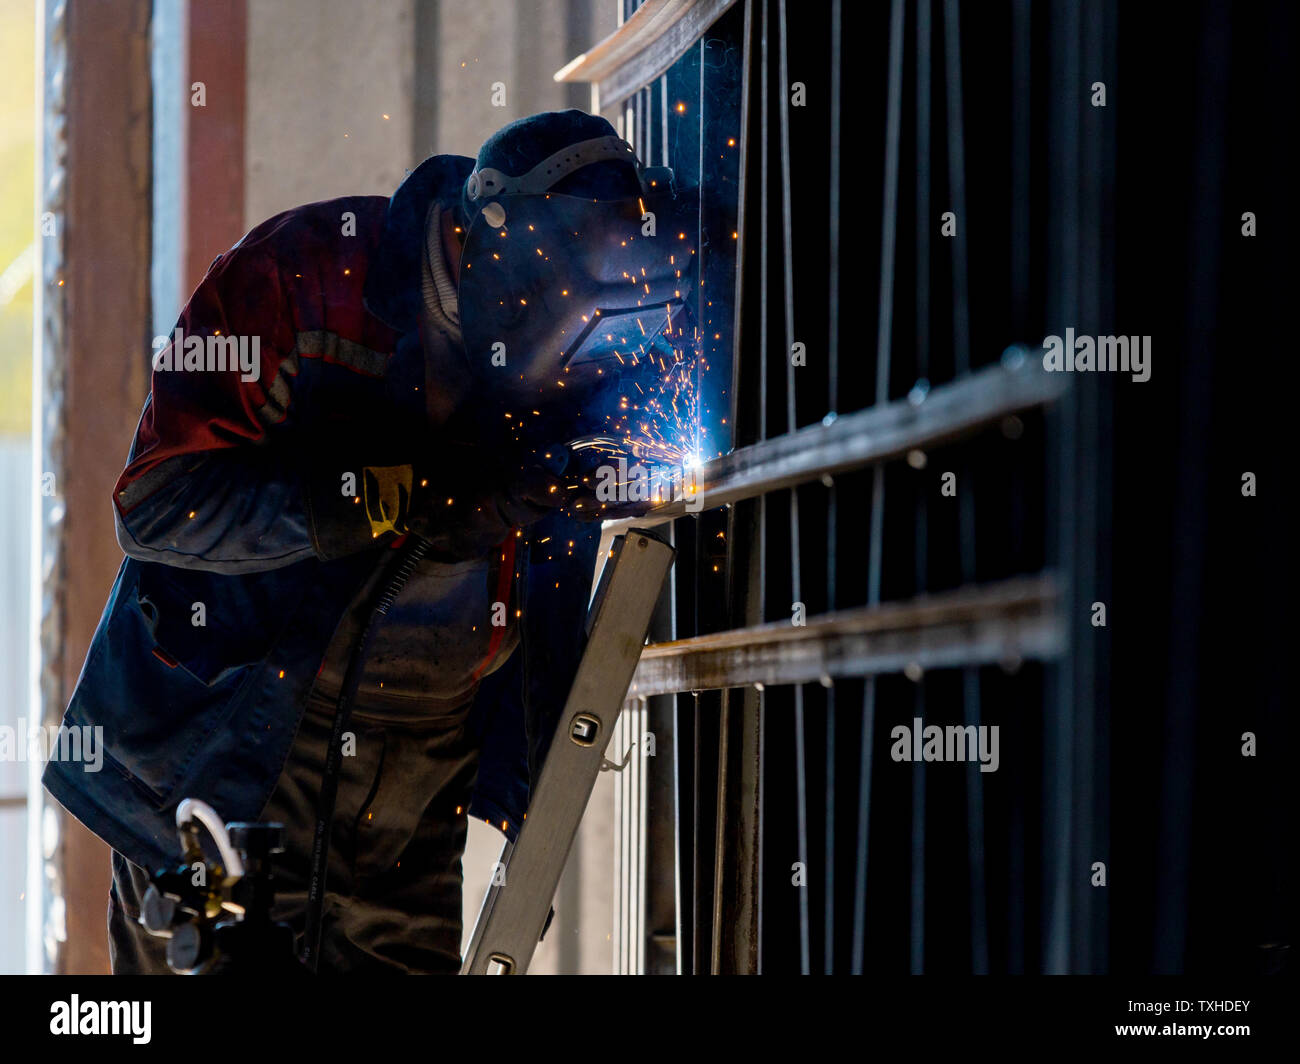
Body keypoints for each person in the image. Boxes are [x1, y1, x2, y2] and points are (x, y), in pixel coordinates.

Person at [42, 109, 694, 974]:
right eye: (555, 304)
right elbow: (157, 509)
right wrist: (385, 497)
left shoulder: (588, 337)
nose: (570, 350)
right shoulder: (303, 274)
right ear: (484, 231)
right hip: (228, 756)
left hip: (415, 781)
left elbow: (645, 449)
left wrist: (588, 479)